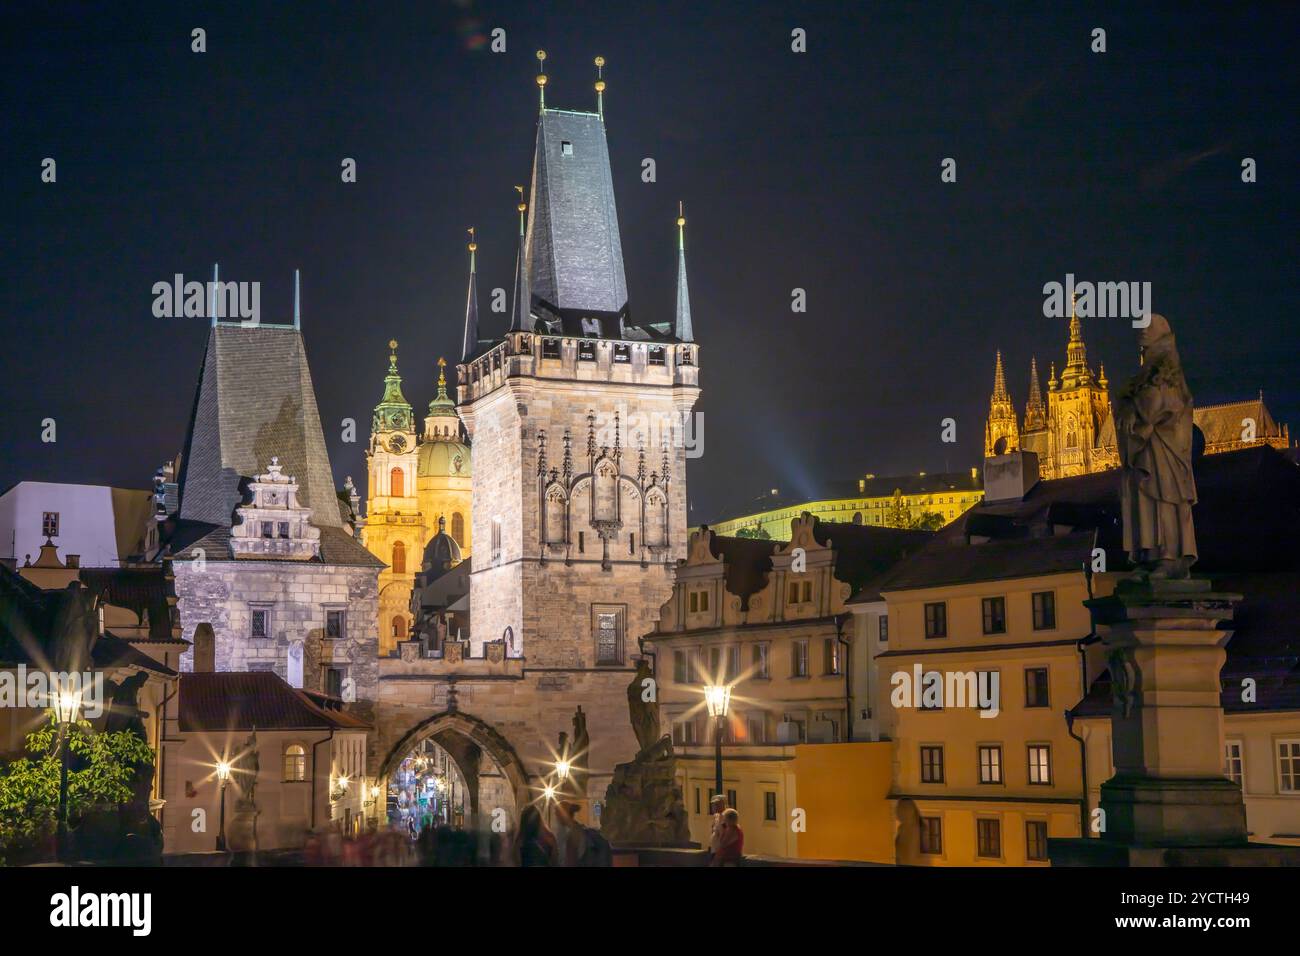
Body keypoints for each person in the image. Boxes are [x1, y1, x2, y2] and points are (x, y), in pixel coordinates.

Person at [707, 795, 727, 862]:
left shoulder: (726, 817)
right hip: (714, 849)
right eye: (714, 804)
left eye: (717, 804)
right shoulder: (716, 817)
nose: (715, 806)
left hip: (721, 851)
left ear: (723, 804)